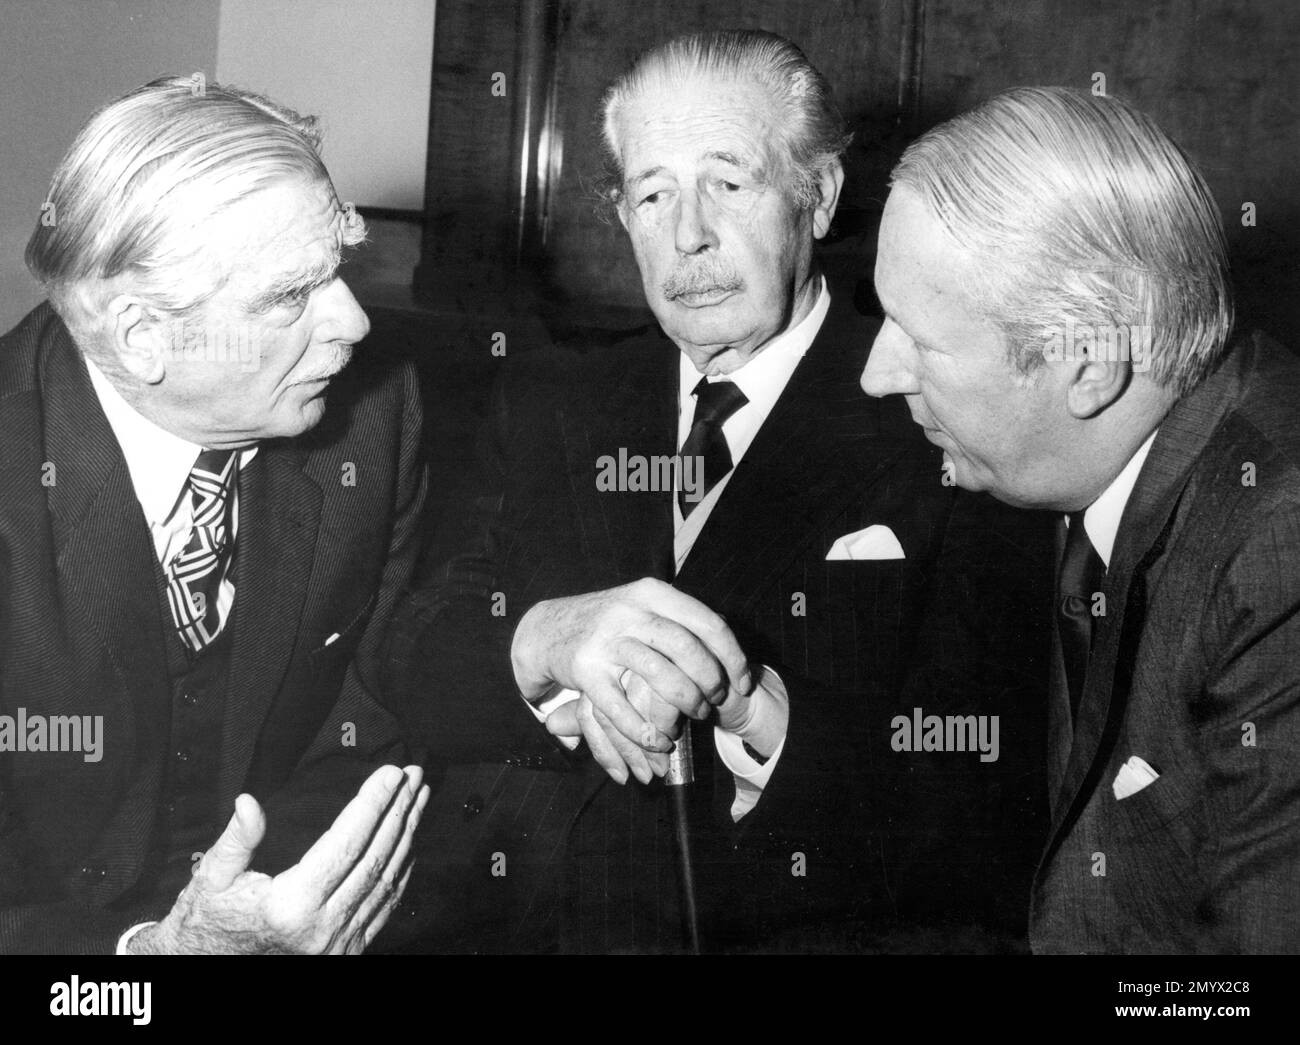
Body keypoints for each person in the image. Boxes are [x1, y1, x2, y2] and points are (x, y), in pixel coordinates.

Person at [386, 30, 1052, 953]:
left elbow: (991, 779)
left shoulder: (938, 413)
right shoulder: (551, 395)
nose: (687, 233)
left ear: (817, 197)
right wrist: (546, 641)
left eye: (728, 184)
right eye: (652, 194)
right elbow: (409, 653)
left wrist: (756, 711)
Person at [861, 86, 1300, 953]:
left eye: (921, 339)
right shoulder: (1091, 467)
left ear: (1089, 365)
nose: (878, 374)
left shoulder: (1278, 550)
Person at [0, 76, 430, 954]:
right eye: (288, 296)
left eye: (340, 267)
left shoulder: (372, 417)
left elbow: (365, 713)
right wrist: (157, 958)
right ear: (143, 337)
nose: (350, 322)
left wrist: (275, 909)